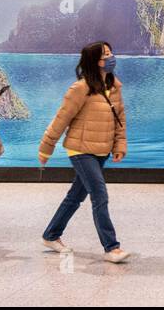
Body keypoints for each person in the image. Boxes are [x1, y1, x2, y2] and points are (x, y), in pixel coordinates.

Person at [39, 41, 131, 263]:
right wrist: (46, 147)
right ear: (94, 61)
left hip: (102, 149)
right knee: (99, 195)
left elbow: (120, 120)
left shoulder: (114, 86)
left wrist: (119, 146)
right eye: (105, 55)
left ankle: (51, 235)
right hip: (79, 149)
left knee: (76, 196)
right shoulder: (79, 88)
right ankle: (112, 247)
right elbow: (62, 119)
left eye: (111, 53)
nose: (111, 58)